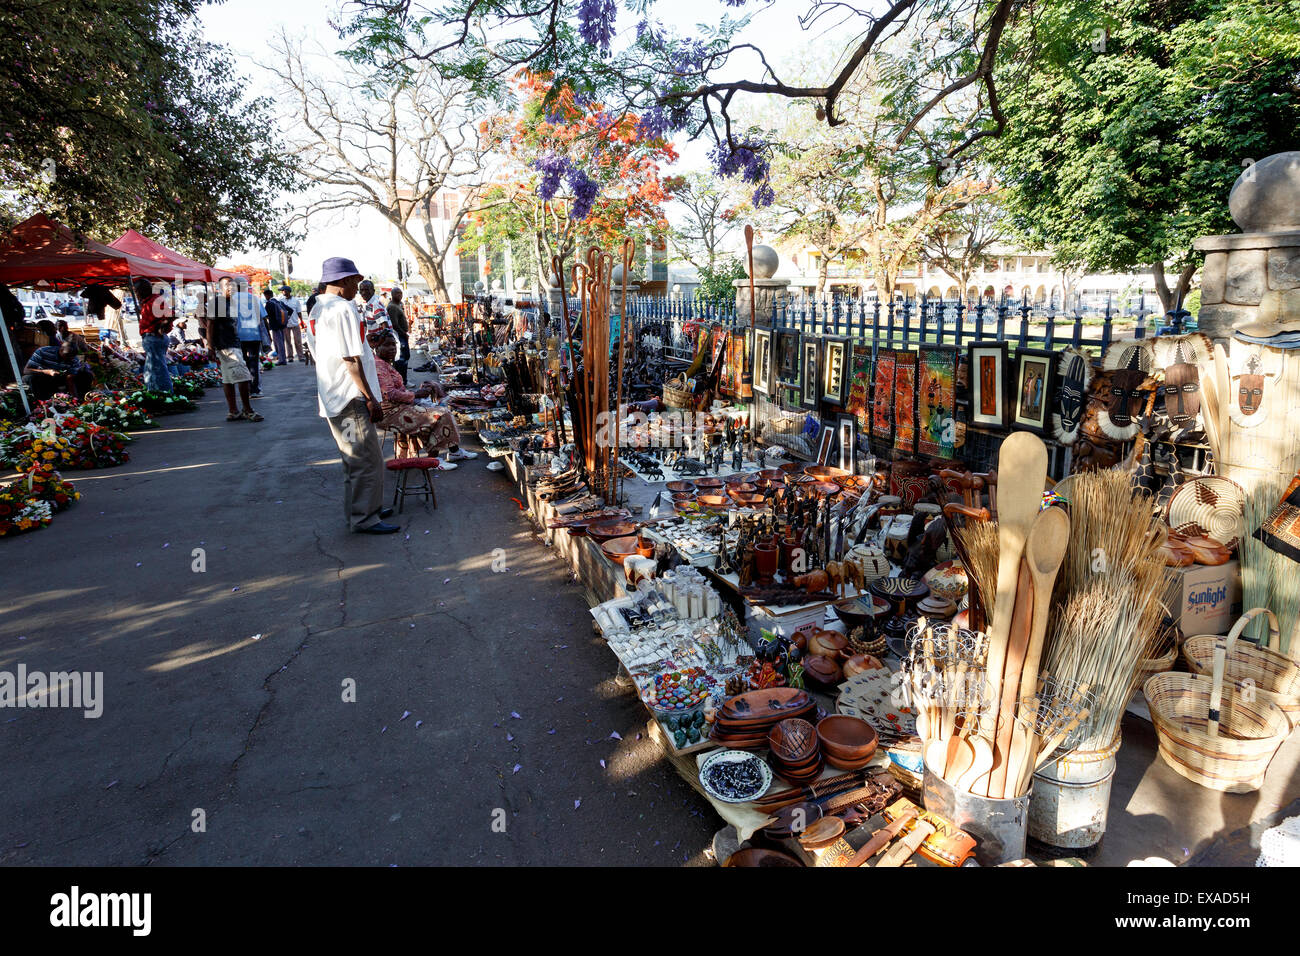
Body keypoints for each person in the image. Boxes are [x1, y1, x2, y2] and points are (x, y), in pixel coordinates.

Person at [311, 258, 397, 534]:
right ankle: (364, 517)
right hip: (350, 397)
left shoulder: (318, 308)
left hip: (335, 394)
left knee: (356, 459)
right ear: (343, 282)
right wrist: (370, 398)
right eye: (355, 283)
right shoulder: (341, 309)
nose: (357, 289)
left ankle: (366, 507)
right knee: (365, 459)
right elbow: (350, 360)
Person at [368, 328, 475, 467]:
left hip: (399, 406)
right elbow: (391, 394)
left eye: (393, 344)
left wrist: (418, 394)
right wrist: (416, 395)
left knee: (439, 408)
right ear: (377, 347)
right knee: (439, 415)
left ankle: (454, 451)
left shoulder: (384, 364)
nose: (392, 348)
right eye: (387, 345)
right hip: (390, 413)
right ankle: (433, 460)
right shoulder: (379, 366)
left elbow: (397, 391)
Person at [205, 278, 263, 422]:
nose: (230, 288)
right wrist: (210, 347)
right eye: (227, 285)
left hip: (232, 344)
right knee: (243, 376)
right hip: (227, 346)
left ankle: (233, 411)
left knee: (228, 379)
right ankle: (247, 410)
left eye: (232, 285)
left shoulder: (232, 302)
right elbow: (210, 325)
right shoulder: (217, 302)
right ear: (220, 288)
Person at [133, 277, 174, 394]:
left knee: (157, 370)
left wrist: (160, 328)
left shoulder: (155, 301)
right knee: (152, 370)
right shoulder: (150, 301)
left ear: (143, 290)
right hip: (152, 337)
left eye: (136, 291)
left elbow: (169, 316)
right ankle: (157, 394)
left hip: (154, 338)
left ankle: (164, 395)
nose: (136, 294)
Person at [23, 339, 94, 401]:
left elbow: (70, 379)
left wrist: (74, 397)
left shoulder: (74, 359)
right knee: (33, 378)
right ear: (60, 349)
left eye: (71, 357)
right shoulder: (43, 351)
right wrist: (46, 372)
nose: (67, 359)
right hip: (41, 377)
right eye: (66, 356)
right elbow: (26, 370)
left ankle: (82, 398)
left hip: (58, 377)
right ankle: (43, 403)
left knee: (86, 375)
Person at [230, 279, 267, 396]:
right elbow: (263, 317)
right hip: (254, 335)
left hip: (237, 336)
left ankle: (245, 389)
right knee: (254, 362)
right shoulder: (255, 298)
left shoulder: (231, 299)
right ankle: (255, 389)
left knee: (242, 362)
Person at [386, 286, 410, 385]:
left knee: (404, 357)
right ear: (392, 295)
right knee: (402, 359)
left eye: (400, 293)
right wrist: (404, 334)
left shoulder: (397, 305)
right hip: (399, 336)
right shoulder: (392, 307)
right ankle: (403, 381)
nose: (399, 295)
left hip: (401, 335)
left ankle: (403, 380)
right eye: (397, 293)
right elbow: (394, 325)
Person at [262, 288, 289, 365]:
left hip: (275, 326)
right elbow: (290, 310)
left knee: (278, 343)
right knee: (281, 342)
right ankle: (283, 358)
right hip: (281, 325)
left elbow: (265, 314)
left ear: (267, 295)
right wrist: (285, 319)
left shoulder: (269, 303)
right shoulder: (279, 302)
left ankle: (281, 360)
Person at [278, 285, 304, 362]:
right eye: (282, 291)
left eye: (284, 290)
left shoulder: (296, 301)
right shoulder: (281, 300)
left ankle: (301, 356)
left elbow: (299, 312)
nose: (283, 292)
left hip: (295, 323)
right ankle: (290, 357)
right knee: (288, 341)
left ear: (288, 291)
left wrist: (301, 322)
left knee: (298, 341)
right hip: (285, 324)